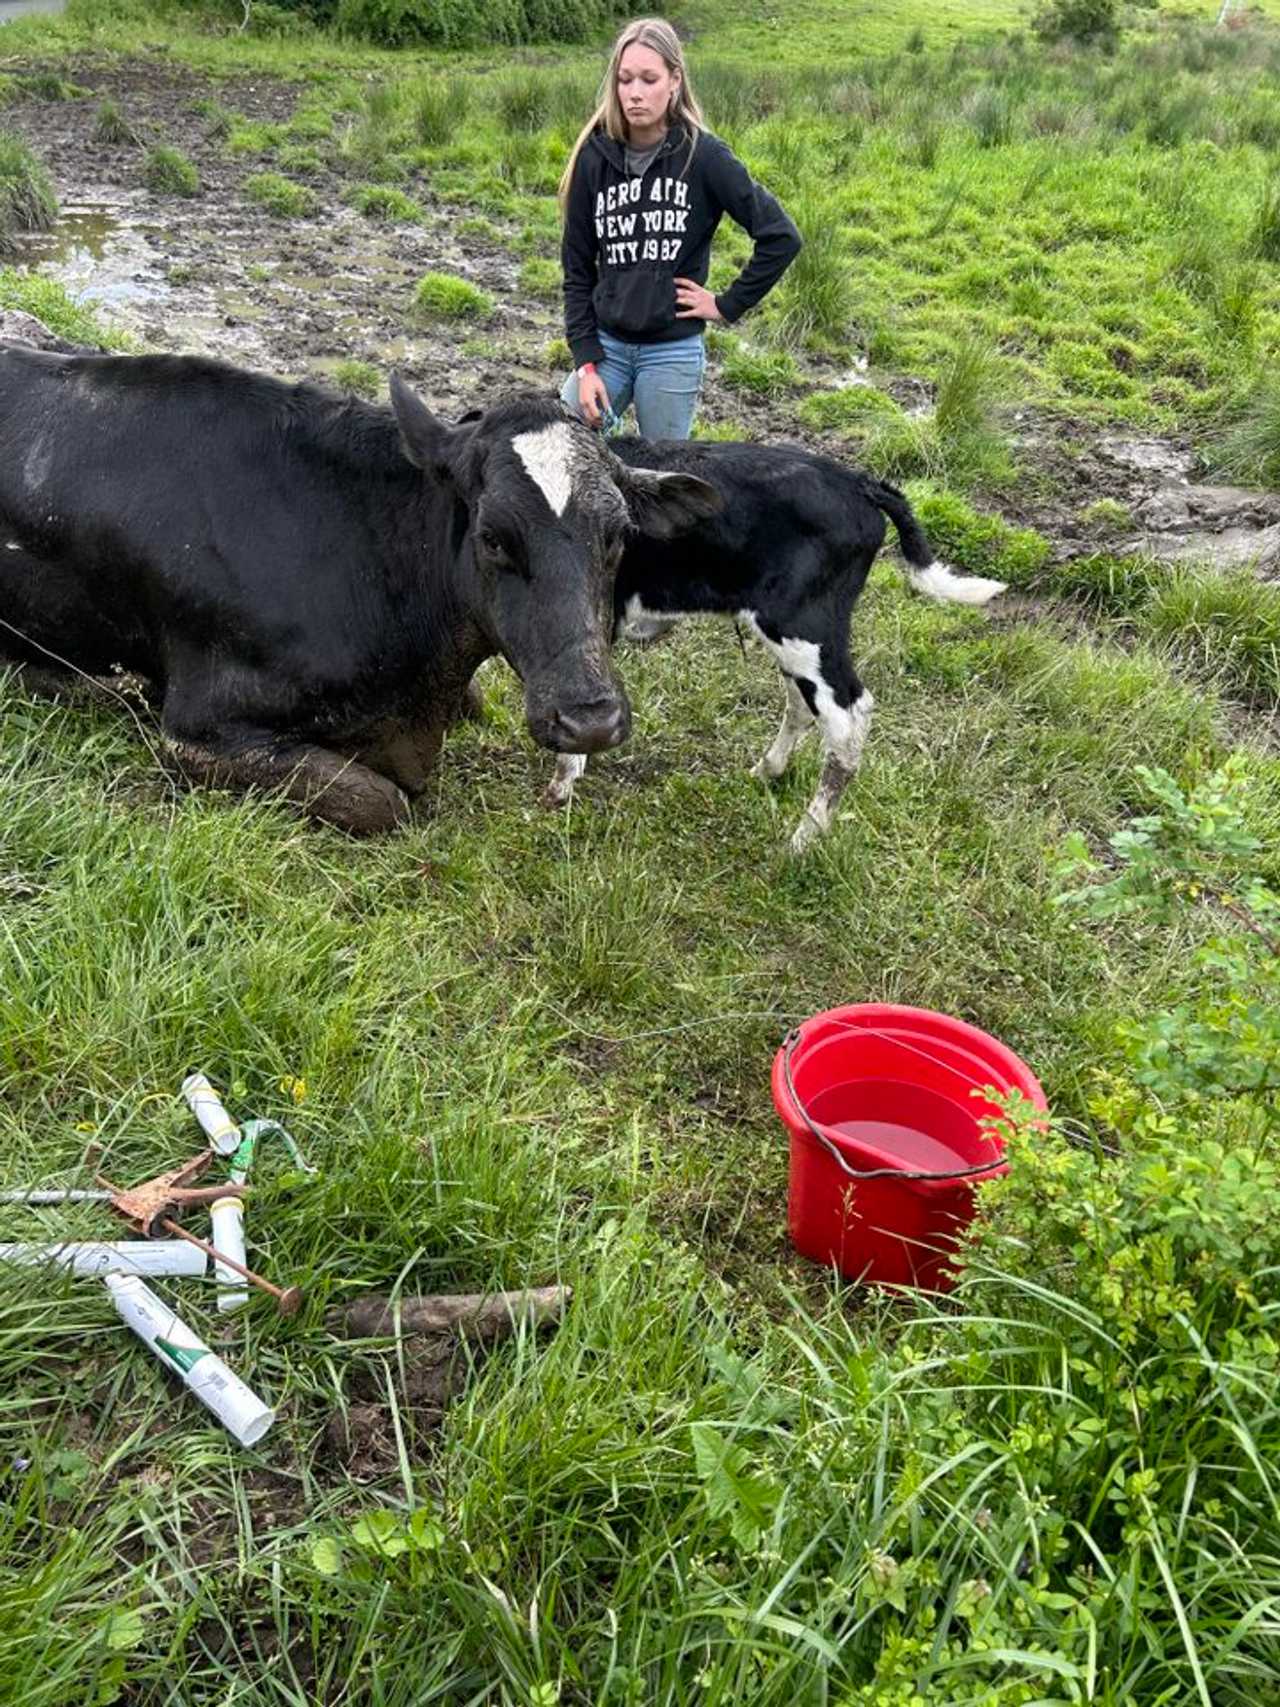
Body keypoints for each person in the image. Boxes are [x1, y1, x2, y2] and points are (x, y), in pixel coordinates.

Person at [557, 16, 802, 445]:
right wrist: (586, 364)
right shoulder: (594, 158)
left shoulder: (704, 157)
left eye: (649, 79)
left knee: (665, 485)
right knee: (560, 446)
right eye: (625, 79)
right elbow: (577, 271)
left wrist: (727, 304)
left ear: (674, 80)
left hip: (671, 353)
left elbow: (780, 236)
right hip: (605, 346)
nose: (635, 92)